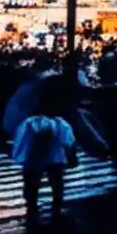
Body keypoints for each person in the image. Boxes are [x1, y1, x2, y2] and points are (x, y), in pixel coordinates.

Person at [12, 89, 76, 223]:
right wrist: (71, 156)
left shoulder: (28, 123)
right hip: (56, 159)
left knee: (32, 184)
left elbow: (20, 142)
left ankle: (32, 206)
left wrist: (20, 158)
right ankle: (57, 208)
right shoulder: (59, 123)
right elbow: (68, 142)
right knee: (57, 183)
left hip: (33, 159)